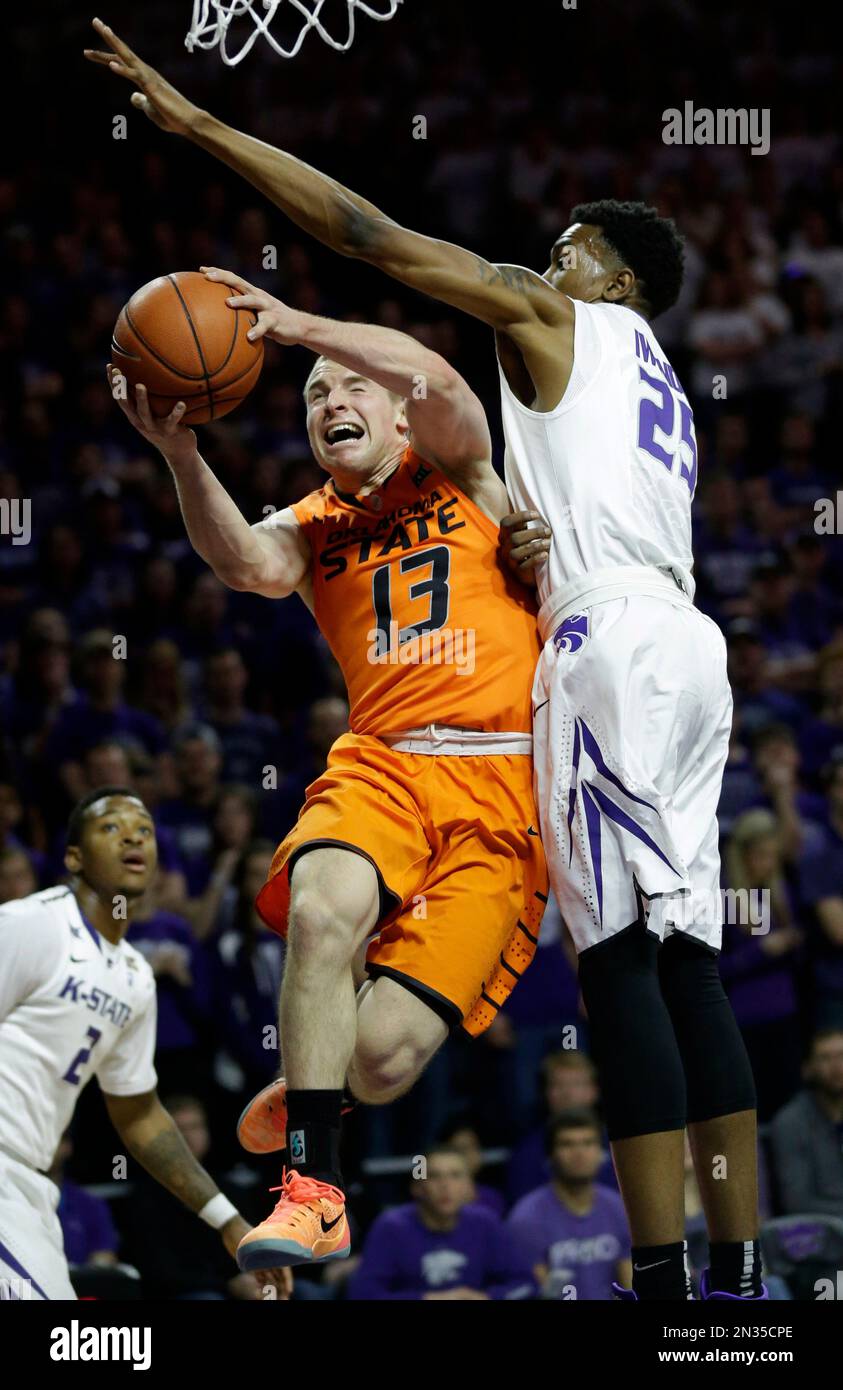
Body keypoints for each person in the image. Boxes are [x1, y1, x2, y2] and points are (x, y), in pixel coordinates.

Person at [86, 25, 760, 1299]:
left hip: (594, 665)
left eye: (565, 251)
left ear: (602, 280)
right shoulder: (648, 381)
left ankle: (671, 1280)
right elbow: (249, 563)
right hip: (672, 643)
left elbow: (373, 240)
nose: (540, 263)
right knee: (685, 959)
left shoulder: (521, 367)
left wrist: (212, 150)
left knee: (620, 966)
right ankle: (730, 1272)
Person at [105, 295, 547, 1275]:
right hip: (383, 761)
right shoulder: (309, 526)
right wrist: (182, 452)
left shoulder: (465, 467)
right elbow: (243, 562)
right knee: (321, 905)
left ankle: (328, 1082)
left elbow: (435, 376)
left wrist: (301, 329)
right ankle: (315, 1188)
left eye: (354, 386)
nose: (331, 399)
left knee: (384, 1060)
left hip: (498, 789)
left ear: (398, 416)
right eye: (313, 396)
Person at [0, 785, 289, 1300]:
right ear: (74, 857)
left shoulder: (133, 976)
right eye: (110, 826)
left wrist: (226, 1220)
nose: (132, 834)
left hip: (30, 1184)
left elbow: (138, 1114)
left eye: (144, 829)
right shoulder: (30, 925)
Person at [348, 1146, 533, 1301]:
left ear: (470, 1187)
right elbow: (363, 1294)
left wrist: (486, 1297)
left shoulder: (486, 1222)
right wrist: (430, 1298)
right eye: (434, 1176)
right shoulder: (391, 1227)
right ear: (417, 1187)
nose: (445, 1185)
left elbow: (527, 1285)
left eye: (455, 1175)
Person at [508, 1111, 631, 1300]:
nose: (579, 1153)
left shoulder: (618, 1207)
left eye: (588, 1143)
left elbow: (629, 1284)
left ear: (601, 1152)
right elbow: (540, 1294)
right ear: (551, 1155)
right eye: (567, 1144)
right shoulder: (526, 1217)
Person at [769, 1028, 843, 1218]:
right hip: (820, 1237)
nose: (837, 1067)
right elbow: (797, 1203)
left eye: (841, 1055)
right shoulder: (790, 1123)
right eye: (825, 1058)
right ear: (807, 1069)